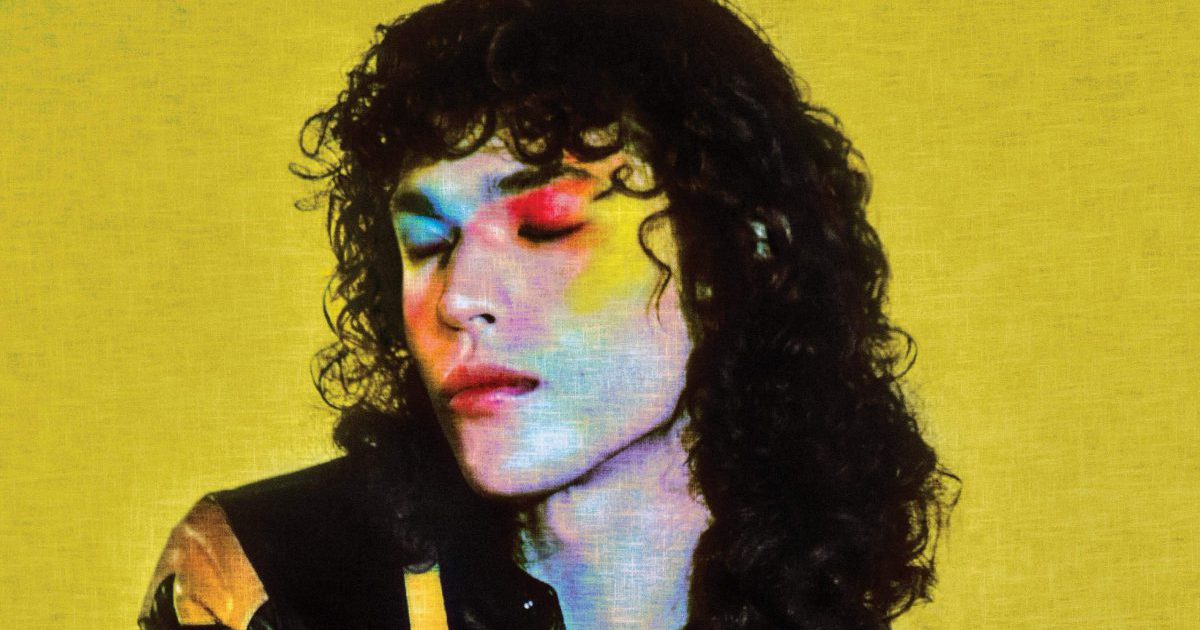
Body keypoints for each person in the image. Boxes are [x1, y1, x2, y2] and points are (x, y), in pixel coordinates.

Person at [138, 0, 956, 628]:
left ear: (739, 255)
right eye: (426, 243)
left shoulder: (822, 589)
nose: (458, 298)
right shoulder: (264, 581)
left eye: (544, 228)